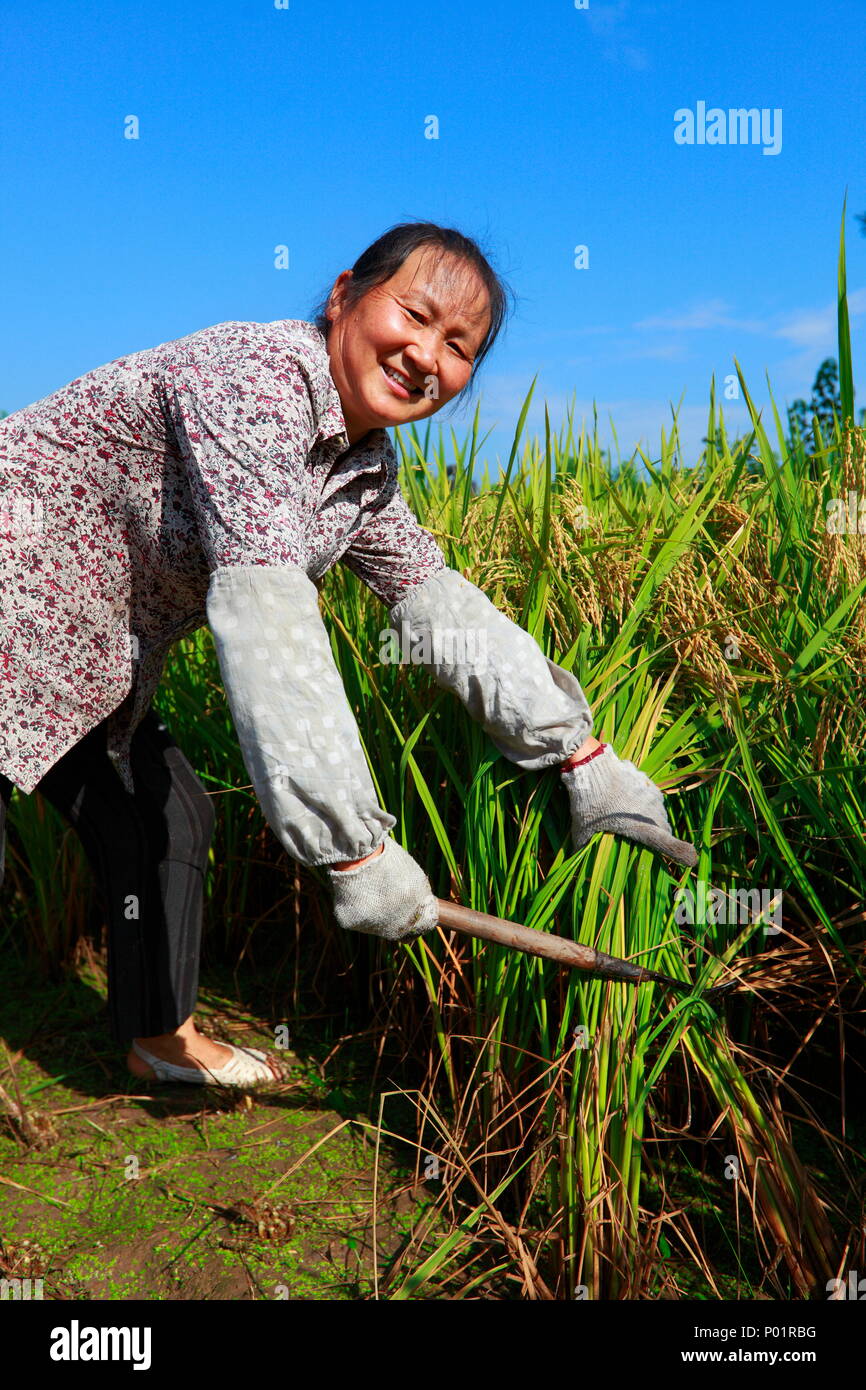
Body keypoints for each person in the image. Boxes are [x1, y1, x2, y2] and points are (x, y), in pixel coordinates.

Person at [0, 219, 697, 1086]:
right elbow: (267, 615)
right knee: (152, 808)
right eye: (415, 314)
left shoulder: (363, 467)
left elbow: (434, 604)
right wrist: (355, 849)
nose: (426, 355)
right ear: (342, 297)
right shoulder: (257, 383)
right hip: (18, 608)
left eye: (459, 346)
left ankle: (157, 1039)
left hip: (86, 654)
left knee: (168, 812)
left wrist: (582, 757)